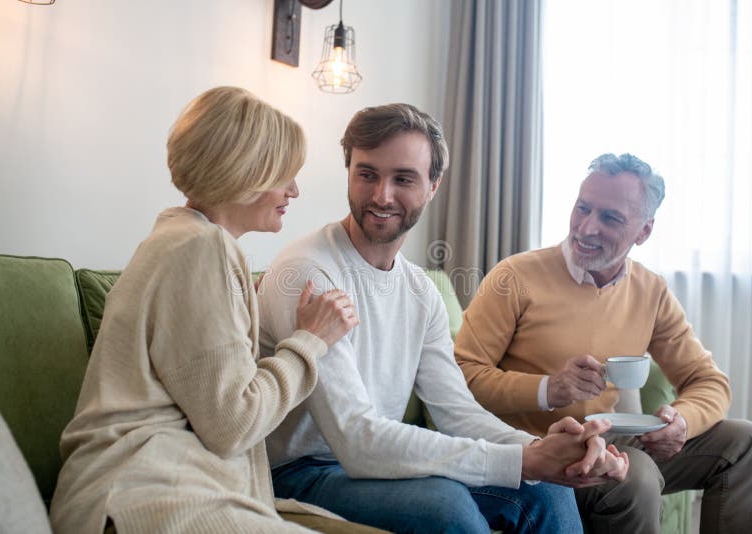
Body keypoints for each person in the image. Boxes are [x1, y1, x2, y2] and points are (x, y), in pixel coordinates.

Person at [257, 104, 629, 534]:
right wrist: (524, 459)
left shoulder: (421, 291)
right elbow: (355, 439)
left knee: (547, 491)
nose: (381, 195)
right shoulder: (308, 273)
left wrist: (545, 449)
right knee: (444, 504)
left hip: (378, 464)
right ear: (349, 173)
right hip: (300, 473)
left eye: (403, 179)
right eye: (367, 174)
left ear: (432, 186)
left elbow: (458, 414)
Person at [48, 86, 374, 533]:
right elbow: (233, 424)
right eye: (285, 175)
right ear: (247, 173)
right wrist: (309, 341)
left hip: (156, 488)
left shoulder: (183, 242)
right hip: (144, 495)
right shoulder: (201, 249)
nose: (294, 190)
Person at [454, 153, 752, 533]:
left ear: (644, 231)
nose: (587, 228)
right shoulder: (515, 277)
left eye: (610, 218)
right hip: (539, 451)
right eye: (583, 208)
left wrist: (682, 422)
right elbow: (461, 376)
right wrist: (547, 389)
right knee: (632, 476)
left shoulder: (650, 290)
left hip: (612, 444)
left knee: (749, 445)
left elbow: (708, 381)